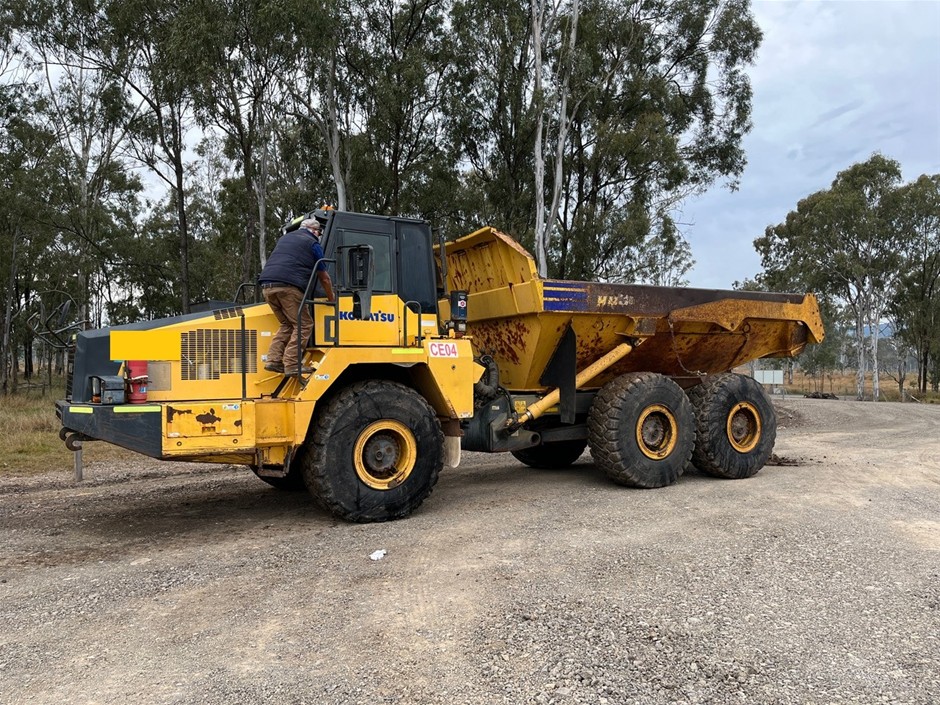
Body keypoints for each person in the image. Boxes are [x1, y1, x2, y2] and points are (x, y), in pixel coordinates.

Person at [258, 218, 335, 375]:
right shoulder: (312, 243)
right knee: (304, 324)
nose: (319, 235)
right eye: (319, 232)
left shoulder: (285, 239)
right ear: (314, 231)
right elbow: (324, 277)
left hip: (267, 287)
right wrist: (332, 299)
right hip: (288, 287)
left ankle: (273, 360)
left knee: (287, 324)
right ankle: (292, 364)